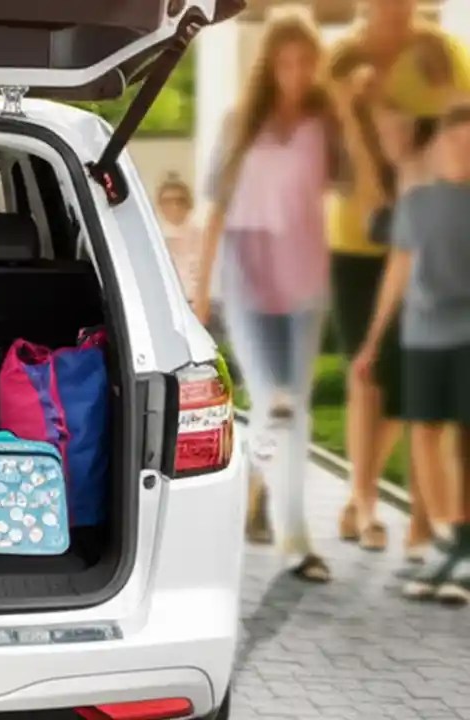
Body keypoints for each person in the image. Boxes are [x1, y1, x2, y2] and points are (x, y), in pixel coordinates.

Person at [195, 8, 336, 582]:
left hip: (304, 282)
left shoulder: (324, 127)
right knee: (275, 398)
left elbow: (369, 184)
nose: (297, 72)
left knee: (290, 411)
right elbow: (215, 212)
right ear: (270, 66)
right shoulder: (238, 126)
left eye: (307, 62)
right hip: (247, 277)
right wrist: (198, 298)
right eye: (286, 62)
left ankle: (288, 528)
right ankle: (277, 518)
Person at [324, 0, 470, 556]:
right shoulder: (341, 59)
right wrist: (348, 110)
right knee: (370, 376)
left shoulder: (441, 53)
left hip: (428, 237)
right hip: (359, 241)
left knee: (412, 380)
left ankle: (418, 522)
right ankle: (363, 501)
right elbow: (329, 154)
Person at [352, 103, 470, 606]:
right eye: (453, 143)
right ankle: (450, 538)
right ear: (439, 147)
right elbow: (398, 273)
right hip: (422, 336)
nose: (459, 152)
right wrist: (373, 341)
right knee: (423, 432)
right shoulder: (417, 203)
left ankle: (461, 548)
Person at [156, 173, 204, 308]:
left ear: (189, 203)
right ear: (160, 205)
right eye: (168, 201)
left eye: (180, 200)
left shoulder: (203, 238)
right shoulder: (153, 239)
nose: (174, 206)